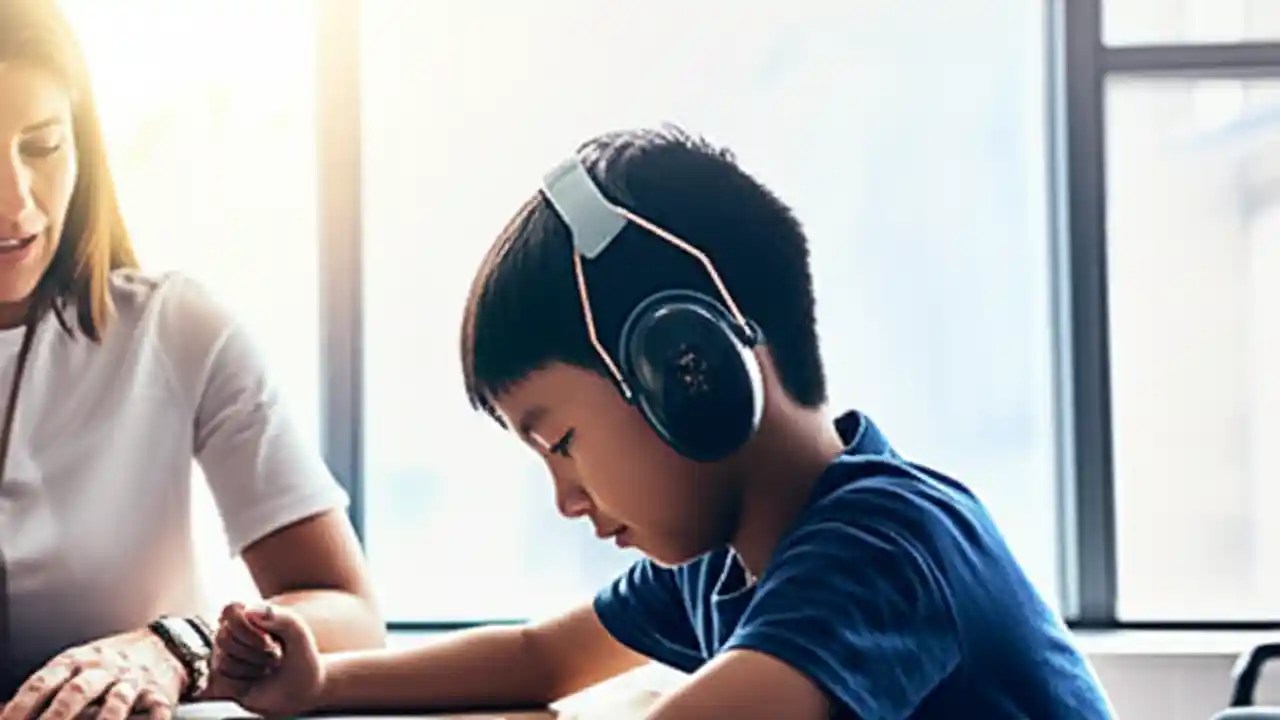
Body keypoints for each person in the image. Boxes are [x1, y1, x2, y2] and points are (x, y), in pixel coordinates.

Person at [219, 126, 1115, 719]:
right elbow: (537, 659)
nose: (566, 499)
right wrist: (322, 682)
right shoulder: (724, 564)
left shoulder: (886, 540)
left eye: (561, 442)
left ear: (689, 368)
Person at [0, 1, 384, 718]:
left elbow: (351, 618)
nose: (14, 203)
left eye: (43, 146)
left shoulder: (173, 328)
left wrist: (173, 645)